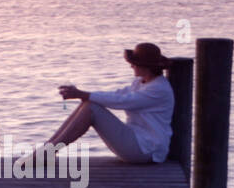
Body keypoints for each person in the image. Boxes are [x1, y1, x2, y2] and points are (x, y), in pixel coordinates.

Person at [47, 42, 175, 164]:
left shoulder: (159, 89)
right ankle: (47, 149)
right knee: (88, 103)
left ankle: (47, 152)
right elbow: (117, 94)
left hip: (147, 149)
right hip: (136, 141)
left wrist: (83, 94)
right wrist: (84, 95)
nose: (131, 66)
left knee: (91, 106)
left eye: (134, 63)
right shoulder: (140, 82)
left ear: (146, 67)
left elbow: (122, 101)